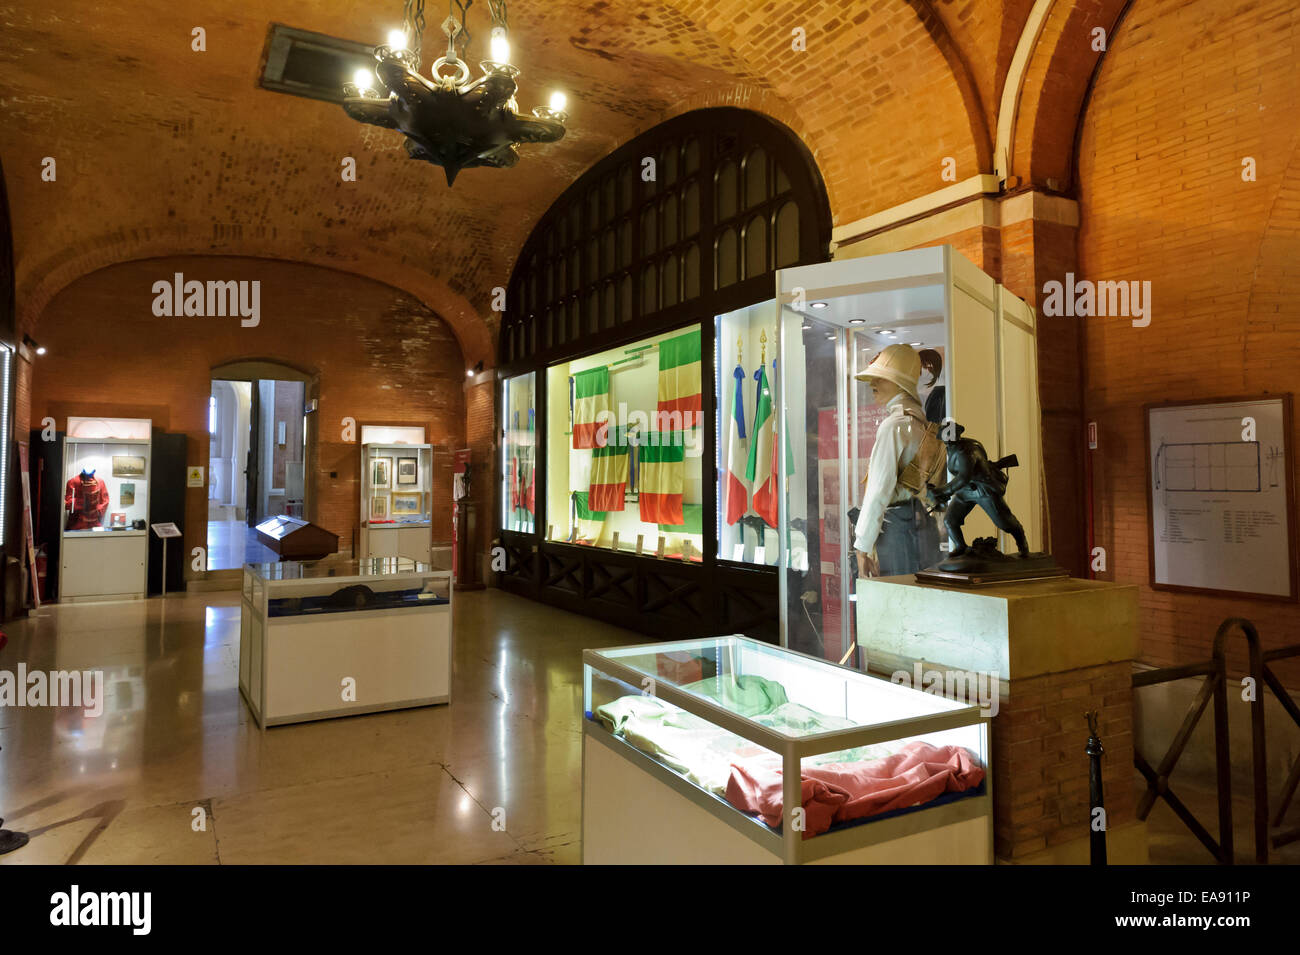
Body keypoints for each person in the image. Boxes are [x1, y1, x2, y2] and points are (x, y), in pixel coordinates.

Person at [852, 344, 942, 577]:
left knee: (899, 602)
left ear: (899, 382)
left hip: (898, 530)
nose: (873, 384)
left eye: (880, 378)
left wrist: (862, 547)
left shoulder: (894, 425)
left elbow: (878, 491)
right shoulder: (918, 423)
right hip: (920, 525)